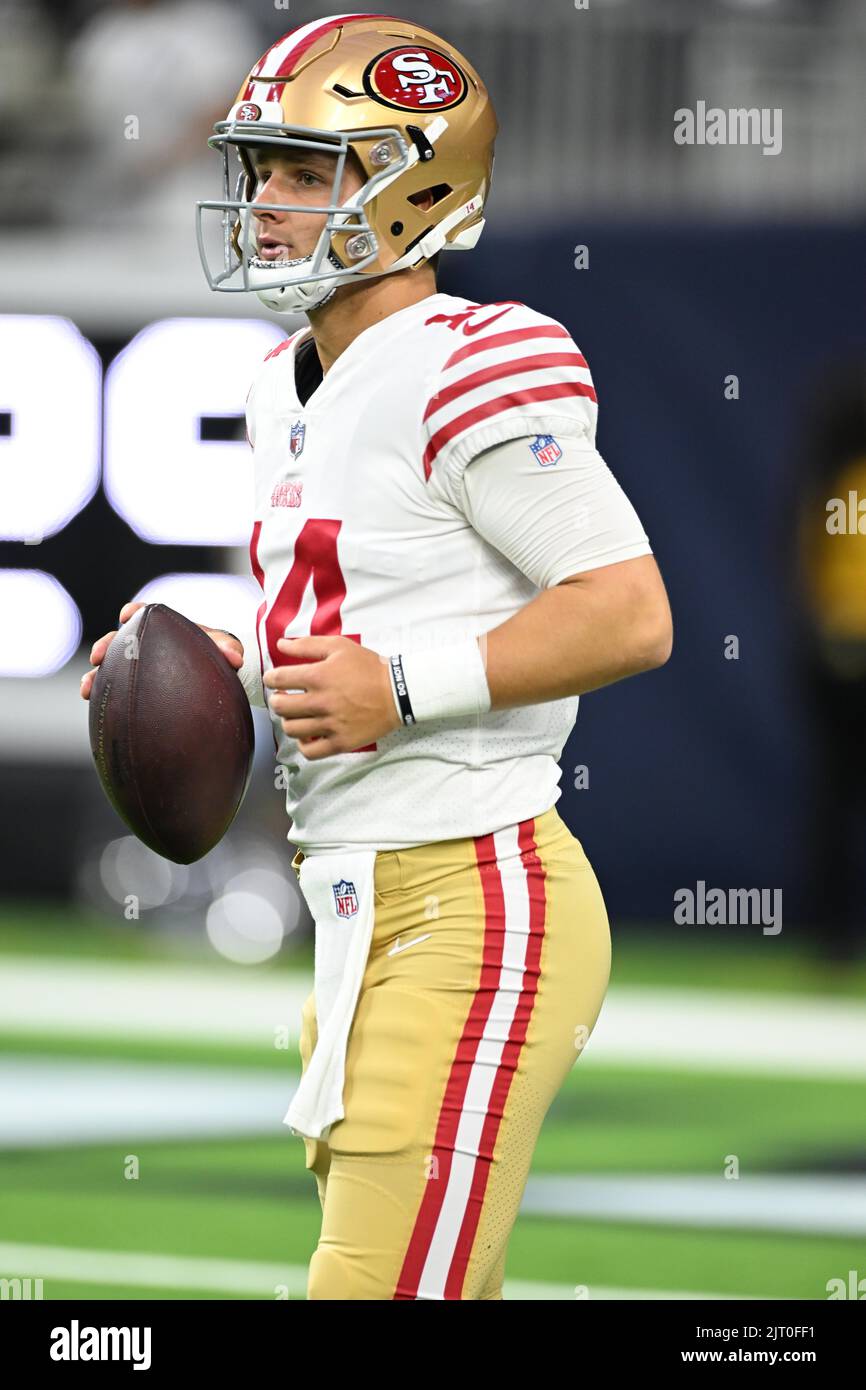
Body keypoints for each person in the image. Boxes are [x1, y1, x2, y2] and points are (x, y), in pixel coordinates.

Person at [83, 15, 673, 1300]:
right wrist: (215, 663)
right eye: (261, 172)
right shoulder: (279, 383)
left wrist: (400, 688)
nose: (269, 204)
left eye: (305, 172)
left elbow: (628, 612)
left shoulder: (475, 360)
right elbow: (355, 618)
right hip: (356, 910)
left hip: (473, 895)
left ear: (412, 183)